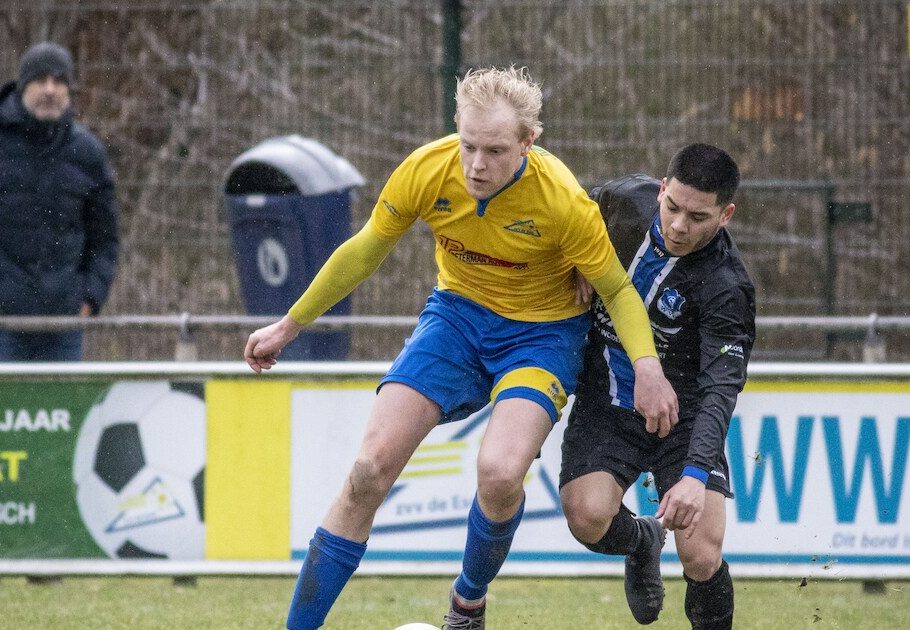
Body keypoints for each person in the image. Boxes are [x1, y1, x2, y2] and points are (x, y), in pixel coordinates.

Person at [243, 66, 678, 630]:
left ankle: (467, 603)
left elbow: (616, 290)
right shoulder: (427, 170)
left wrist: (648, 368)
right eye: (468, 145)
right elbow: (366, 248)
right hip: (455, 320)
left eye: (495, 151)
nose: (476, 165)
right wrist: (290, 325)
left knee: (499, 474)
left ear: (528, 142)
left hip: (541, 335)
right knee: (368, 471)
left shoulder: (562, 200)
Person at [558, 143, 755, 629]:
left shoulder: (727, 285)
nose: (679, 226)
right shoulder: (625, 200)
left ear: (726, 215)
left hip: (683, 419)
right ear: (661, 189)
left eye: (698, 217)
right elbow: (566, 212)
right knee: (586, 517)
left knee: (701, 553)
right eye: (672, 207)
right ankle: (642, 540)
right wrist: (573, 258)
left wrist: (694, 475)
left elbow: (720, 390)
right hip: (607, 401)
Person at [0, 41, 118, 361]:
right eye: (40, 80)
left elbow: (105, 238)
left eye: (59, 81)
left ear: (69, 90)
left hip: (64, 328)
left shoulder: (88, 153)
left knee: (61, 399)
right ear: (21, 86)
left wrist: (88, 301)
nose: (50, 90)